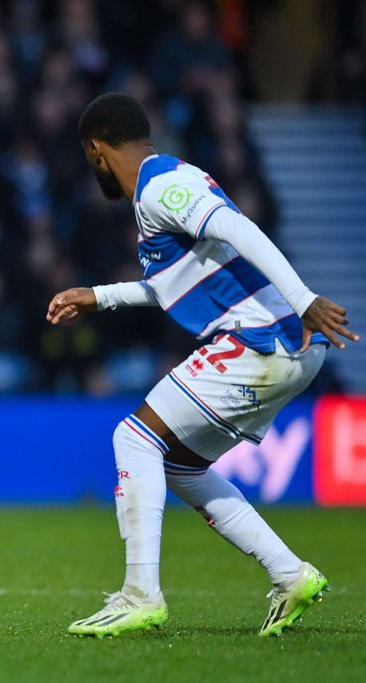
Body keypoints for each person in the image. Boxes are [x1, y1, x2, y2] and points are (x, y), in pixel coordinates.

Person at [47, 93, 359, 638]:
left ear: (96, 150)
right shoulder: (159, 192)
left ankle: (140, 595)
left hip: (263, 340)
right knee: (180, 466)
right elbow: (175, 284)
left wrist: (304, 297)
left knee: (135, 439)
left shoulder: (161, 183)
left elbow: (241, 230)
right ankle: (290, 575)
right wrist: (100, 295)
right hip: (285, 348)